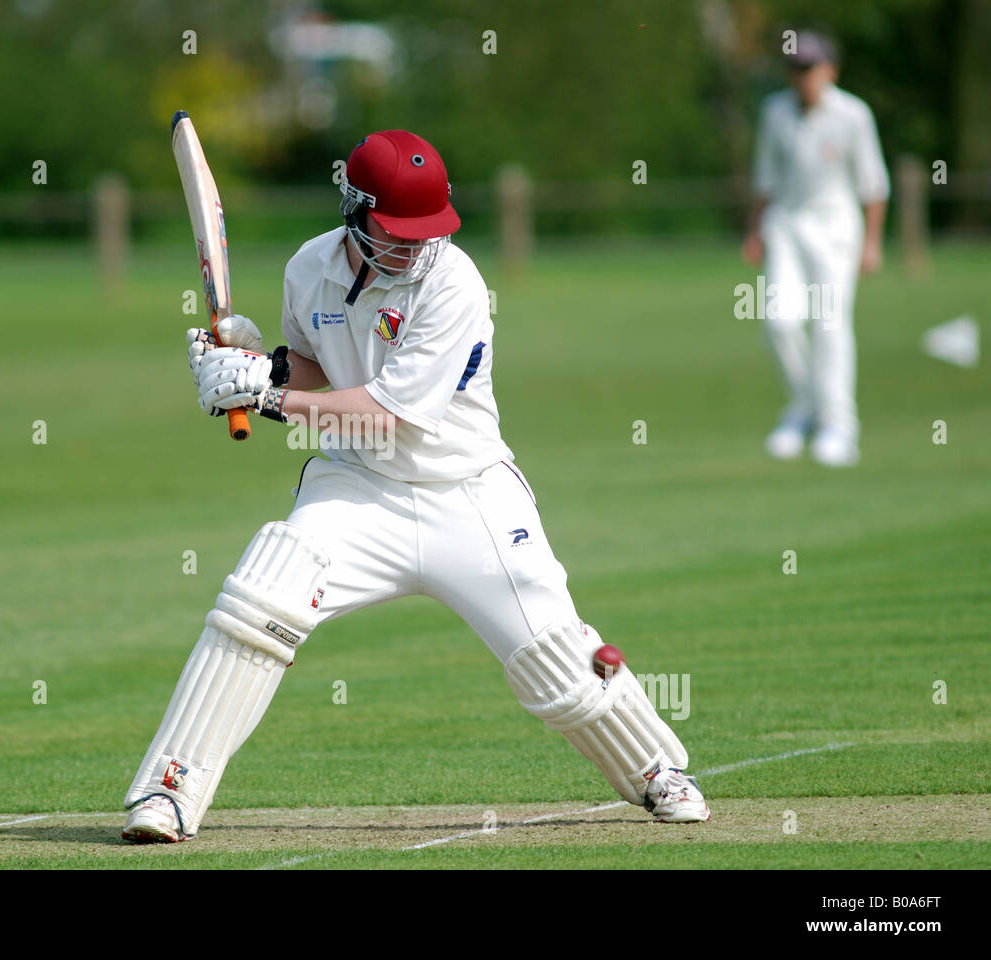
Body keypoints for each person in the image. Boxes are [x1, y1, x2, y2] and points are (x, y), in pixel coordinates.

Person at [121, 129, 710, 843]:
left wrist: (266, 396)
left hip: (468, 494)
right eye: (397, 234)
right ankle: (169, 790)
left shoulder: (453, 282)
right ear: (355, 211)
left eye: (426, 232)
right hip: (357, 491)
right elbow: (320, 370)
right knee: (262, 591)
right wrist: (259, 362)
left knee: (557, 663)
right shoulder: (309, 267)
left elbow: (388, 414)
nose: (412, 248)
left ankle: (653, 768)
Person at [744, 29, 890, 467]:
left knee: (829, 324)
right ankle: (806, 407)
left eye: (808, 67)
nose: (800, 76)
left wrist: (872, 243)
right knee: (778, 322)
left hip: (835, 227)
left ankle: (840, 425)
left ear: (829, 70)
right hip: (786, 224)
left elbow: (873, 185)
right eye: (793, 67)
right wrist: (754, 231)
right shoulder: (775, 112)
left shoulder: (853, 115)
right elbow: (765, 178)